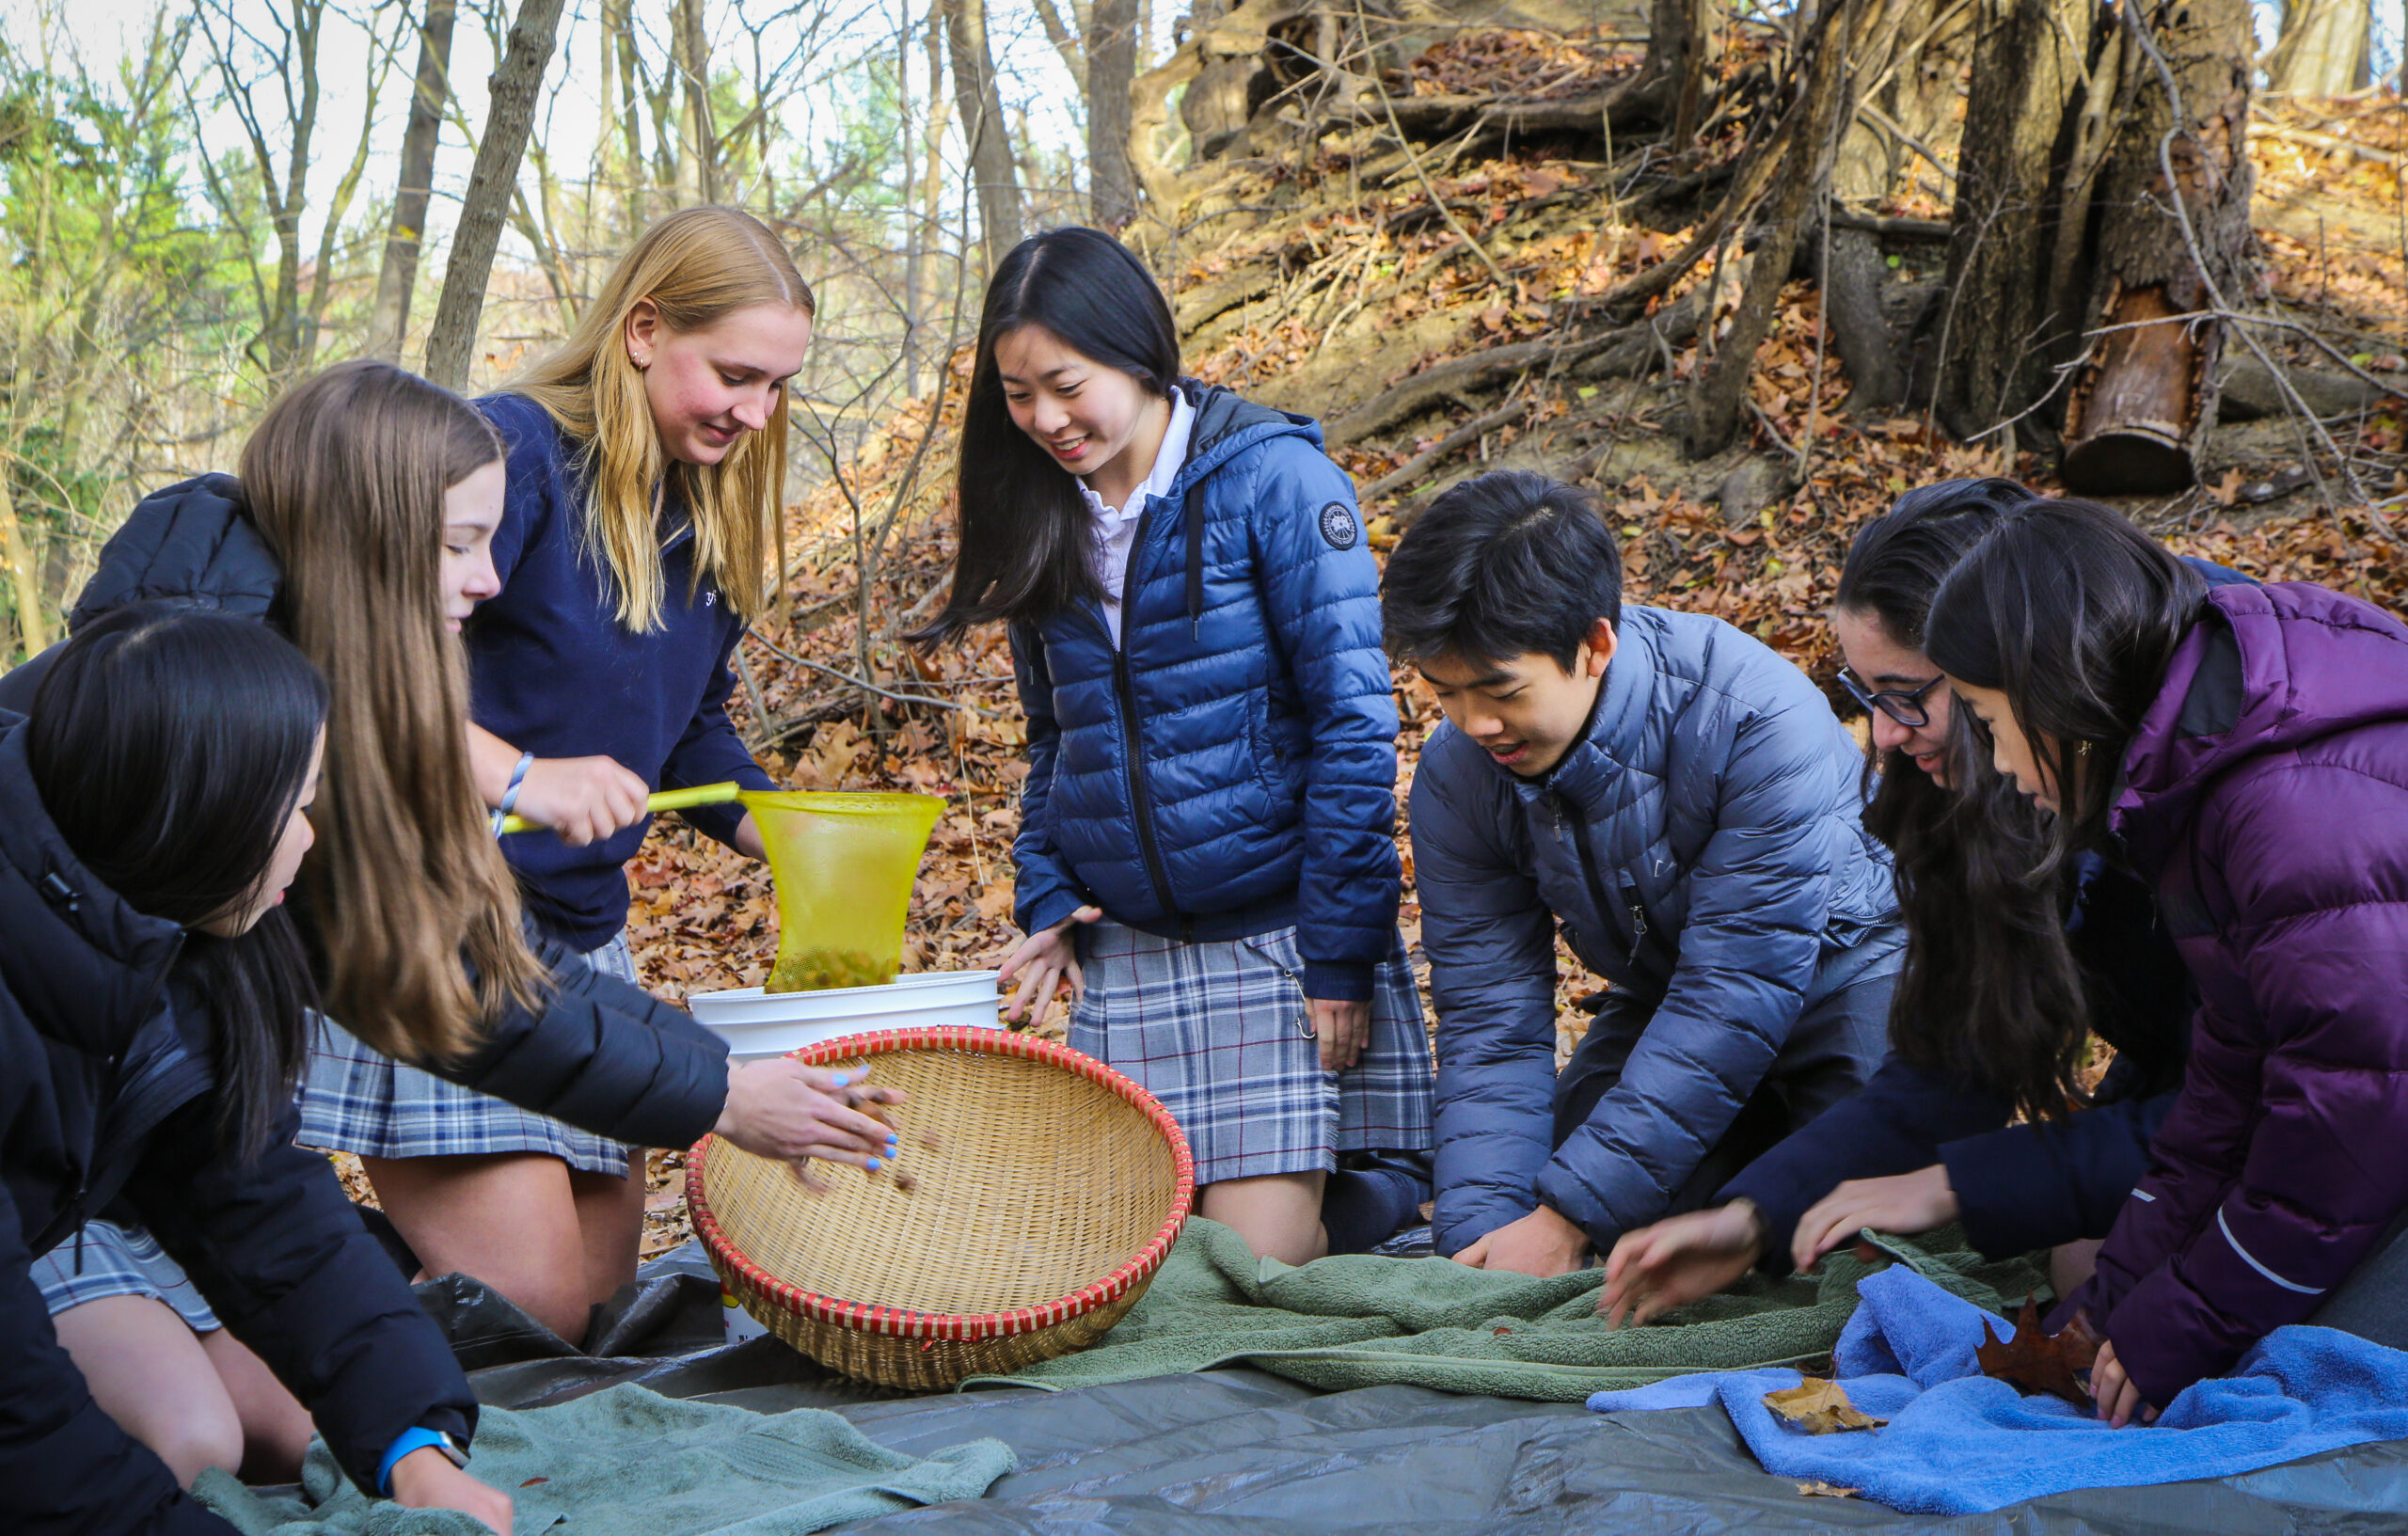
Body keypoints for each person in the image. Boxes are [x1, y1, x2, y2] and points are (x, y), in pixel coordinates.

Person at [6, 358, 894, 1352]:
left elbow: (491, 962)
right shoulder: (229, 718)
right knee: (207, 1430)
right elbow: (446, 985)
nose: (491, 579)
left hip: (140, 1144)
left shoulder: (317, 669)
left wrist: (725, 1075)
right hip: (66, 1166)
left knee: (549, 1310)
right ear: (368, 543)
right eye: (461, 544)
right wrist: (726, 1094)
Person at [913, 227, 1433, 1265]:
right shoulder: (1037, 512)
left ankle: (1387, 1193)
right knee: (1131, 1268)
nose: (1046, 420)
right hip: (1131, 951)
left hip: (1273, 941)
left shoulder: (1275, 483)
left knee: (1250, 1268)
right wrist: (1049, 895)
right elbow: (1057, 736)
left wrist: (1338, 952)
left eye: (1066, 384)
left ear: (1140, 351)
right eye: (1017, 395)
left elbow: (1352, 726)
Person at [1599, 479, 2202, 1328]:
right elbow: (1956, 1059)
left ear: (2020, 668)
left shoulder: (2207, 772)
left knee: (2129, 1285)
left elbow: (2266, 1104)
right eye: (1864, 693)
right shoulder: (1968, 785)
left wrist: (1964, 1181)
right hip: (2213, 1078)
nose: (1881, 732)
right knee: (2090, 1267)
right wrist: (1754, 1217)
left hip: (2322, 1101)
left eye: (1908, 695)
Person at [3, 607, 508, 1535]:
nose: (311, 838)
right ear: (200, 812)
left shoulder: (175, 937)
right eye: (298, 802)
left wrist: (414, 1447)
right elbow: (24, 1434)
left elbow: (257, 1198)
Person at [1922, 497, 2408, 1426]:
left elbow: (2345, 1126)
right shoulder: (2198, 771)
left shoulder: (2284, 809)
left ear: (2048, 689)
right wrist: (2103, 1313)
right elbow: (2228, 1087)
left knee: (2300, 1385)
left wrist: (2178, 1324)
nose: (1995, 763)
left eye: (1986, 722)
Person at [1382, 470, 1903, 1278]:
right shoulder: (1460, 775)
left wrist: (1568, 1218)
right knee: (1558, 1186)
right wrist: (1480, 1249)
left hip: (1851, 973)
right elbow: (1493, 1020)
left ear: (1595, 645)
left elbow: (1735, 994)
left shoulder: (1753, 718)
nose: (1473, 722)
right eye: (1443, 692)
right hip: (1665, 992)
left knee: (1843, 1240)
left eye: (1500, 690)